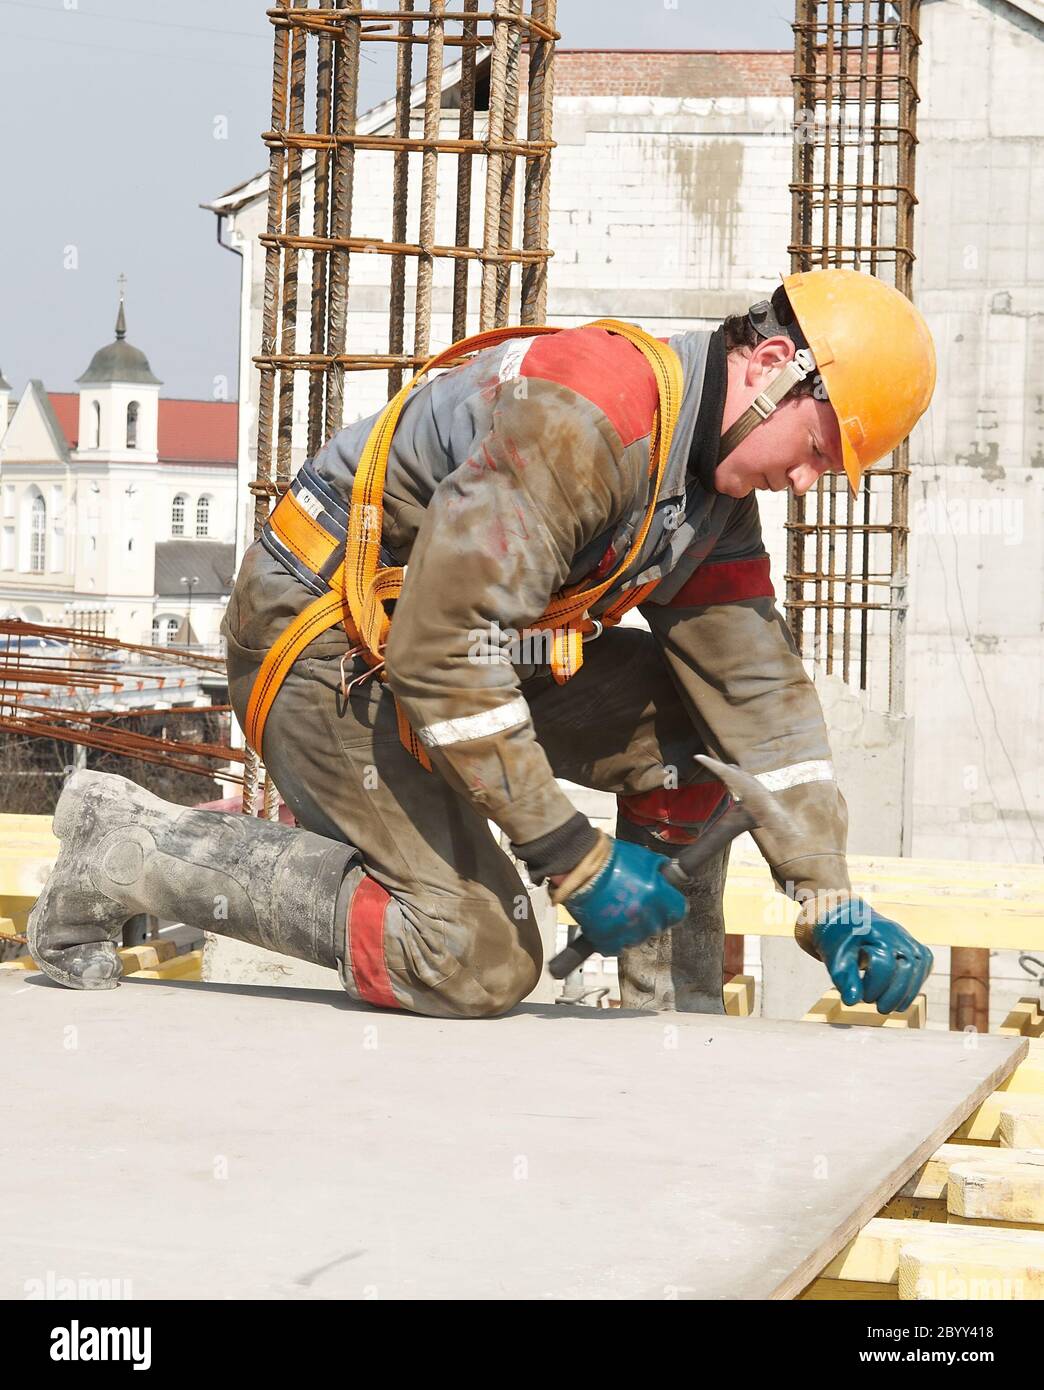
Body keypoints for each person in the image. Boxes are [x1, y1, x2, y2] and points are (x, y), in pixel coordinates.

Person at [29, 268, 937, 1021]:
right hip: (321, 646)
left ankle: (665, 1022)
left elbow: (759, 704)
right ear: (773, 367)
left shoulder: (710, 498)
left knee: (696, 728)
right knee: (473, 958)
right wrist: (574, 858)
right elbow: (446, 646)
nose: (809, 481)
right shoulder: (591, 418)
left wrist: (829, 900)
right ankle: (134, 850)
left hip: (443, 654)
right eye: (819, 448)